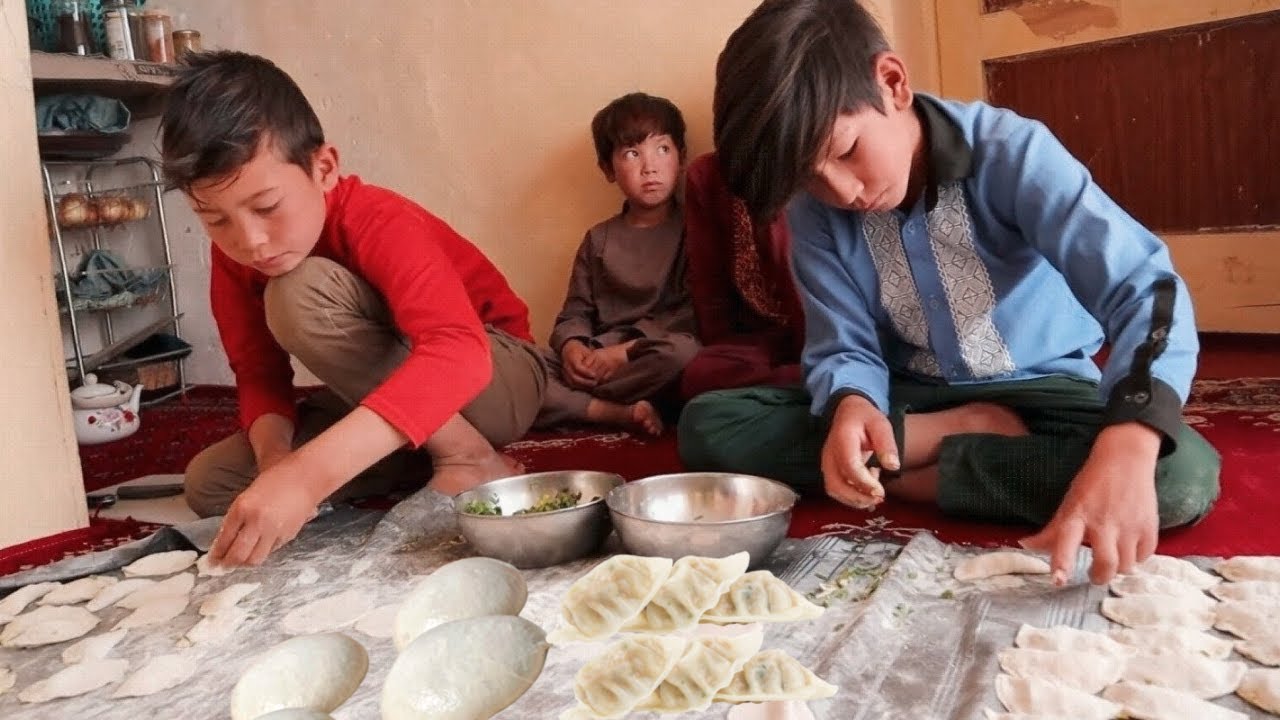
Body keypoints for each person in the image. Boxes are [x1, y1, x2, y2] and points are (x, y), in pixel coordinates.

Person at [677, 0, 1221, 585]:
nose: (841, 191)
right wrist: (854, 406)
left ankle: (904, 478)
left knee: (1178, 474)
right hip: (912, 398)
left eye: (844, 151)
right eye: (810, 178)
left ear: (892, 83)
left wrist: (1128, 445)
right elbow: (844, 346)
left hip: (1044, 390)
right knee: (708, 425)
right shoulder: (815, 212)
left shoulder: (1013, 154)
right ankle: (958, 438)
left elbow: (1143, 286)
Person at [163, 51, 546, 567]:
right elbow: (258, 374)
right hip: (400, 393)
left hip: (497, 379)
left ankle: (469, 457)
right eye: (214, 219)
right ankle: (422, 451)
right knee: (218, 486)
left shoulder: (375, 216)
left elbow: (459, 353)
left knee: (299, 293)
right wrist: (278, 467)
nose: (249, 241)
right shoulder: (234, 256)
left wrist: (309, 476)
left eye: (267, 206)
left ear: (324, 168)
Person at [534, 92, 699, 436]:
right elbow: (574, 313)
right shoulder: (598, 239)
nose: (649, 166)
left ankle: (578, 404)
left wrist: (625, 353)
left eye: (662, 149)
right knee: (526, 367)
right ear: (608, 169)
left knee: (685, 354)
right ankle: (616, 411)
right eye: (632, 154)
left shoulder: (693, 230)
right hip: (597, 356)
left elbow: (690, 313)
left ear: (681, 158)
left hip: (648, 357)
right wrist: (572, 347)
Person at [680, 151, 806, 401]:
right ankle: (809, 384)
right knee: (698, 377)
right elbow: (708, 287)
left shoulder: (809, 161)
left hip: (823, 334)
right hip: (758, 342)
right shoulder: (707, 175)